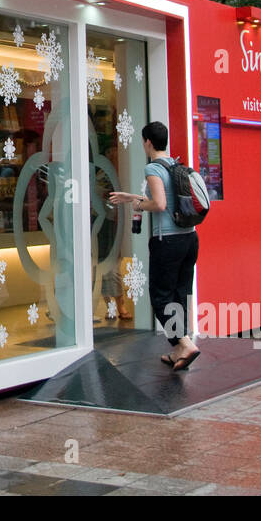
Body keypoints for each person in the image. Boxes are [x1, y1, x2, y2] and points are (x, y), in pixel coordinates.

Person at [108, 121, 200, 370]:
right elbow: (167, 200)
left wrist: (139, 206)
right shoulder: (175, 164)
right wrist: (132, 198)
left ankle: (184, 342)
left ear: (147, 142)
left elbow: (159, 204)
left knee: (160, 296)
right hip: (189, 238)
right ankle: (180, 349)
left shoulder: (152, 168)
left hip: (167, 241)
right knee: (179, 294)